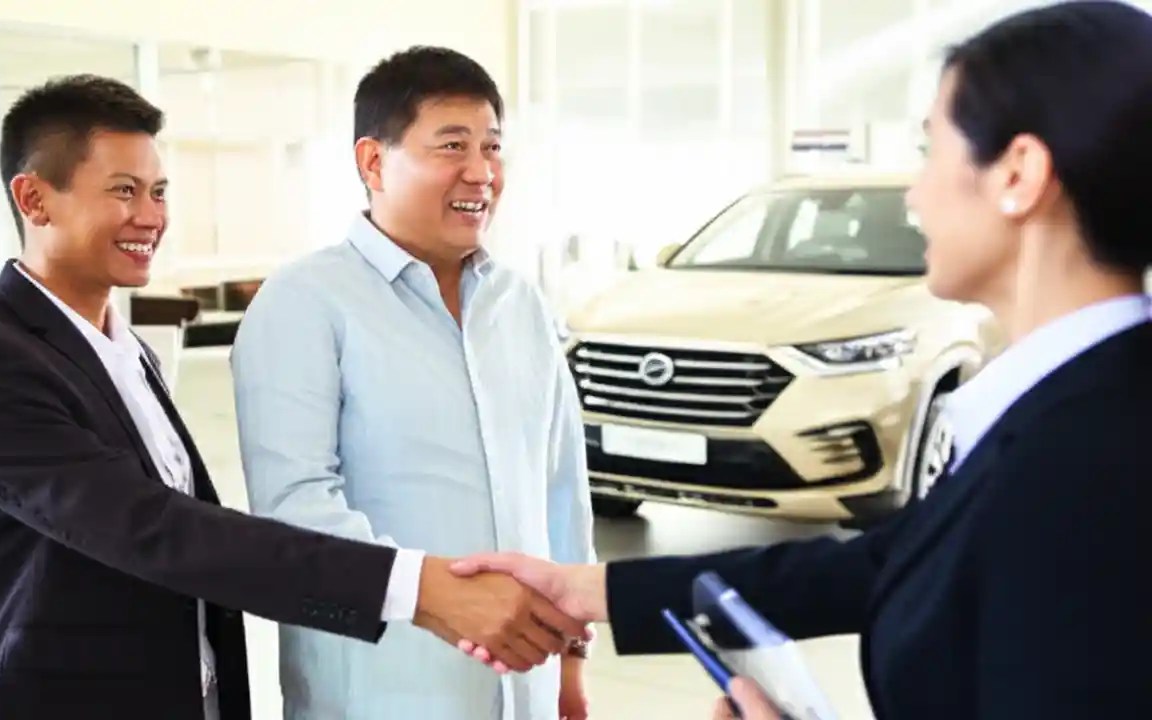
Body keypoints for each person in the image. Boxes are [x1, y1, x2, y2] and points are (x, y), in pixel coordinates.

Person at [453, 2, 1152, 718]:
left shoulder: (1094, 466)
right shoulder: (1068, 408)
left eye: (929, 152)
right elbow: (885, 563)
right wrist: (593, 591)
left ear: (1019, 174)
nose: (916, 196)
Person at [0, 74, 585, 720]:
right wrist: (419, 588)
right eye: (125, 191)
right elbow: (157, 530)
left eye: (159, 191)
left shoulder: (125, 352)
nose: (152, 216)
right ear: (34, 200)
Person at [230, 46, 595, 720]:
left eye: (492, 146)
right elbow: (295, 508)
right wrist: (435, 598)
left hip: (528, 691)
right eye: (451, 146)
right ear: (373, 162)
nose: (481, 172)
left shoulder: (521, 303)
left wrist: (571, 661)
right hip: (385, 690)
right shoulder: (304, 302)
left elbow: (560, 488)